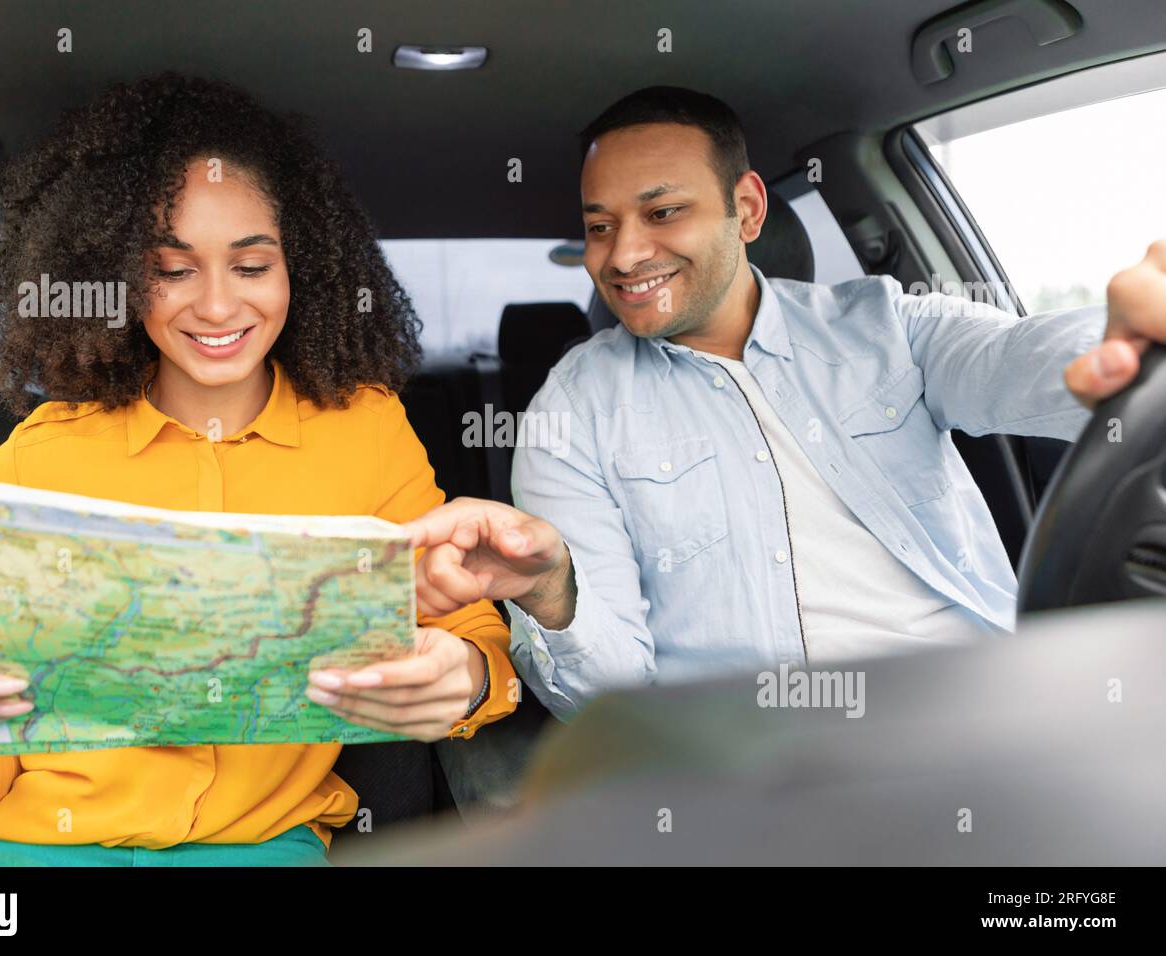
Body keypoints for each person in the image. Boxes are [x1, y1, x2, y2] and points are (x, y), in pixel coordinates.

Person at [0, 73, 517, 866]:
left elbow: (475, 632)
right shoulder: (38, 453)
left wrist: (471, 678)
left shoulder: (370, 432)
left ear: (298, 272)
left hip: (264, 845)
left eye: (250, 267)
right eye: (173, 270)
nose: (215, 306)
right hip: (38, 846)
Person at [402, 86, 1166, 721]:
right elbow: (609, 702)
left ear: (749, 208)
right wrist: (551, 589)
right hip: (758, 767)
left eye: (663, 212)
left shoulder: (887, 325)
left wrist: (1127, 344)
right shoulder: (572, 414)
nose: (624, 254)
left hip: (979, 716)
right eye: (599, 227)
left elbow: (1023, 363)